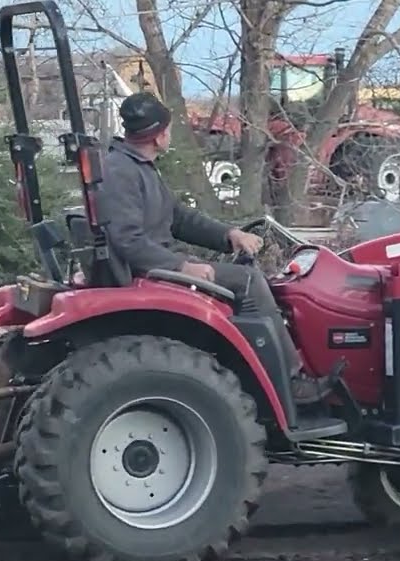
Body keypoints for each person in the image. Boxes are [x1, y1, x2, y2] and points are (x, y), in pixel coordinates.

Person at [97, 91, 331, 406]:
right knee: (249, 282)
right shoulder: (120, 171)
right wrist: (181, 267)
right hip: (149, 271)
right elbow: (127, 239)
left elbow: (179, 218)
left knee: (245, 274)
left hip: (158, 265)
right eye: (167, 129)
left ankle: (256, 375)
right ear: (158, 135)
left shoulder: (139, 166)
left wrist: (229, 234)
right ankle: (290, 382)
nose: (170, 135)